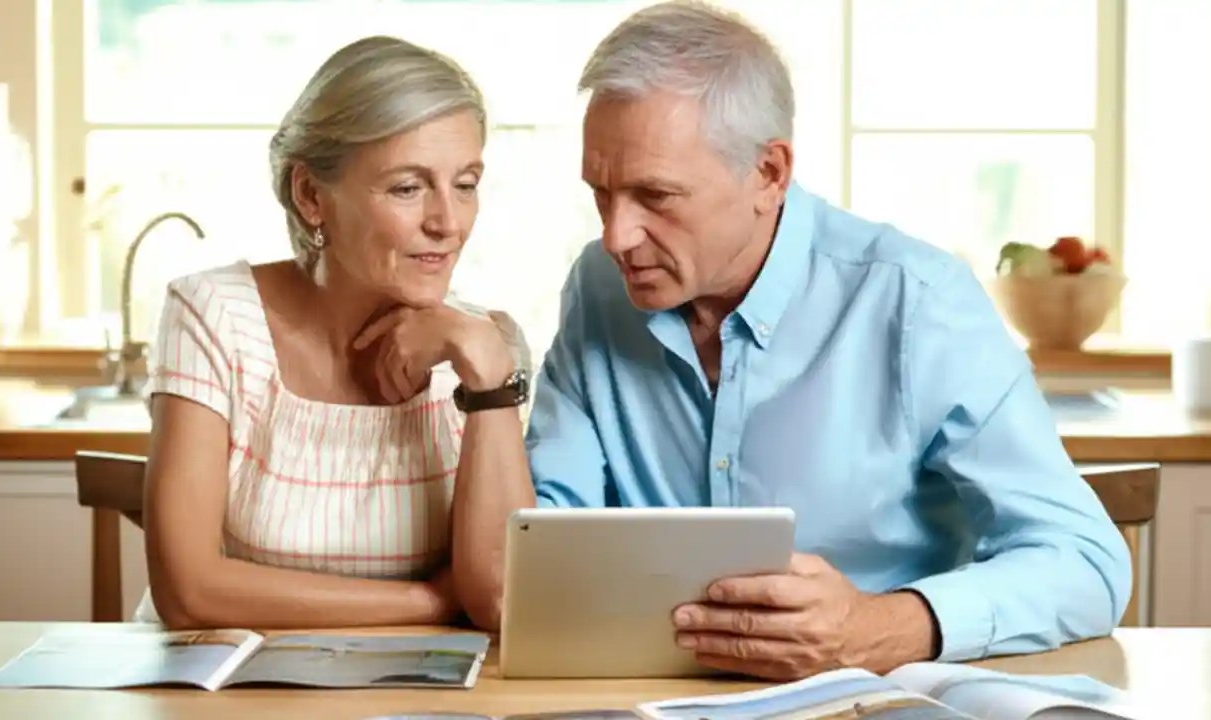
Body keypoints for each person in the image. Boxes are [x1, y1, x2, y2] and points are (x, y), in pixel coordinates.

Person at [452, 1, 1132, 679]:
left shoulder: (915, 301)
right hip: (646, 696)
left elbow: (1086, 561)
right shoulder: (599, 290)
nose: (616, 236)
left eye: (654, 196)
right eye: (602, 193)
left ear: (769, 174)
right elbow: (542, 556)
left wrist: (881, 627)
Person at [140, 35, 532, 630]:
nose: (447, 223)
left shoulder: (484, 351)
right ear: (310, 195)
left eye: (466, 184)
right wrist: (427, 602)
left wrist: (486, 369)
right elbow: (189, 592)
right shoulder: (213, 315)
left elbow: (505, 602)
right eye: (407, 187)